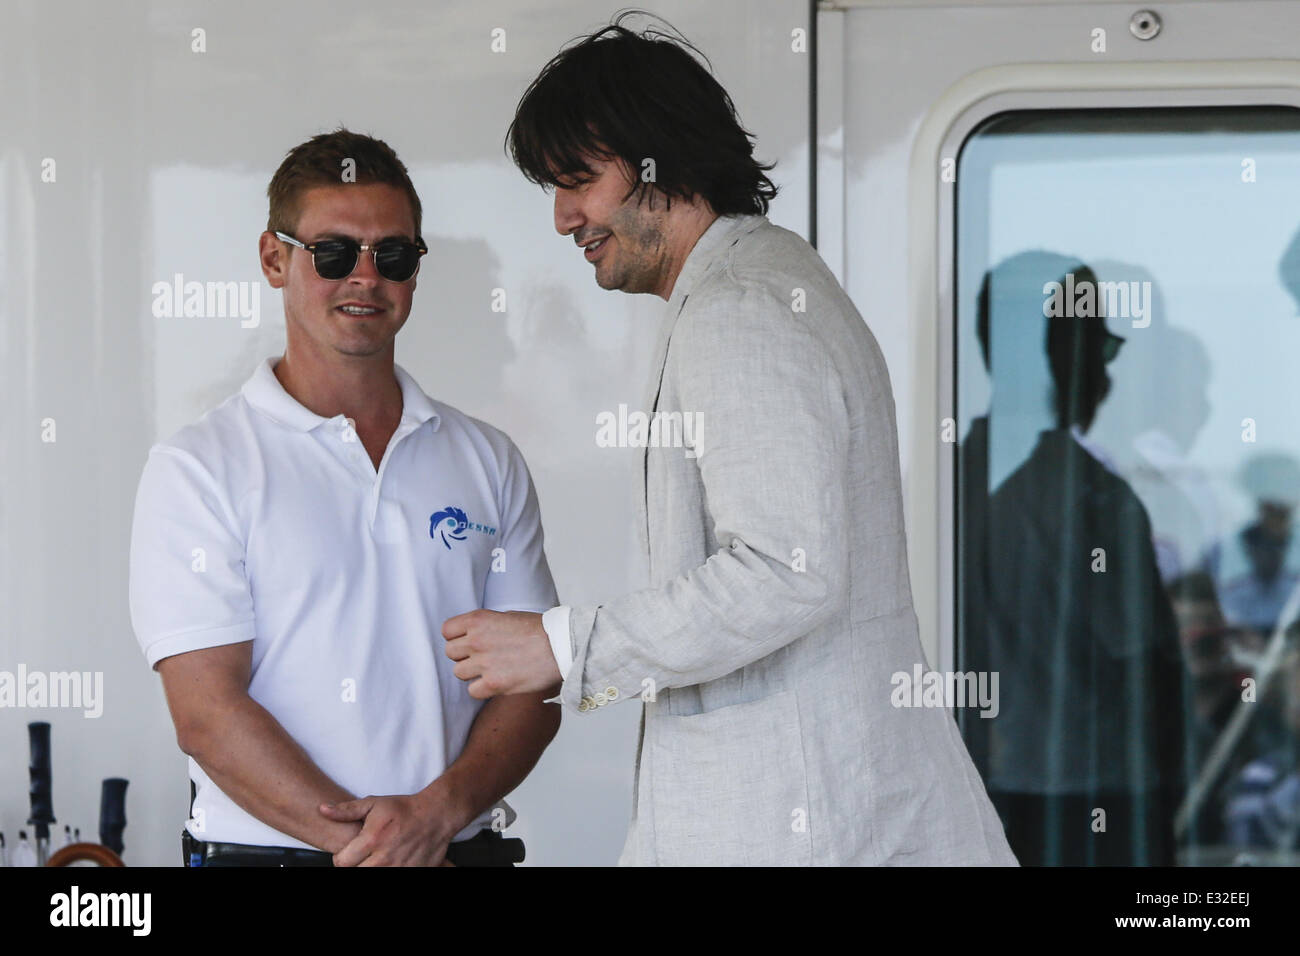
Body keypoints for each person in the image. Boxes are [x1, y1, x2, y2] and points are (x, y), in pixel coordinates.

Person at [440, 15, 1017, 866]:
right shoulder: (763, 282)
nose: (564, 217)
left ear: (654, 162)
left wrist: (561, 646)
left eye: (577, 181)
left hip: (804, 822)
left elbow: (786, 570)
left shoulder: (740, 310)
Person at [128, 129, 559, 867]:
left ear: (415, 273)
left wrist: (439, 816)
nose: (365, 276)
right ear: (274, 258)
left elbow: (534, 688)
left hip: (454, 848)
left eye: (392, 254)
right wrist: (377, 850)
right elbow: (205, 712)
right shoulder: (198, 467)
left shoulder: (488, 459)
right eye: (333, 252)